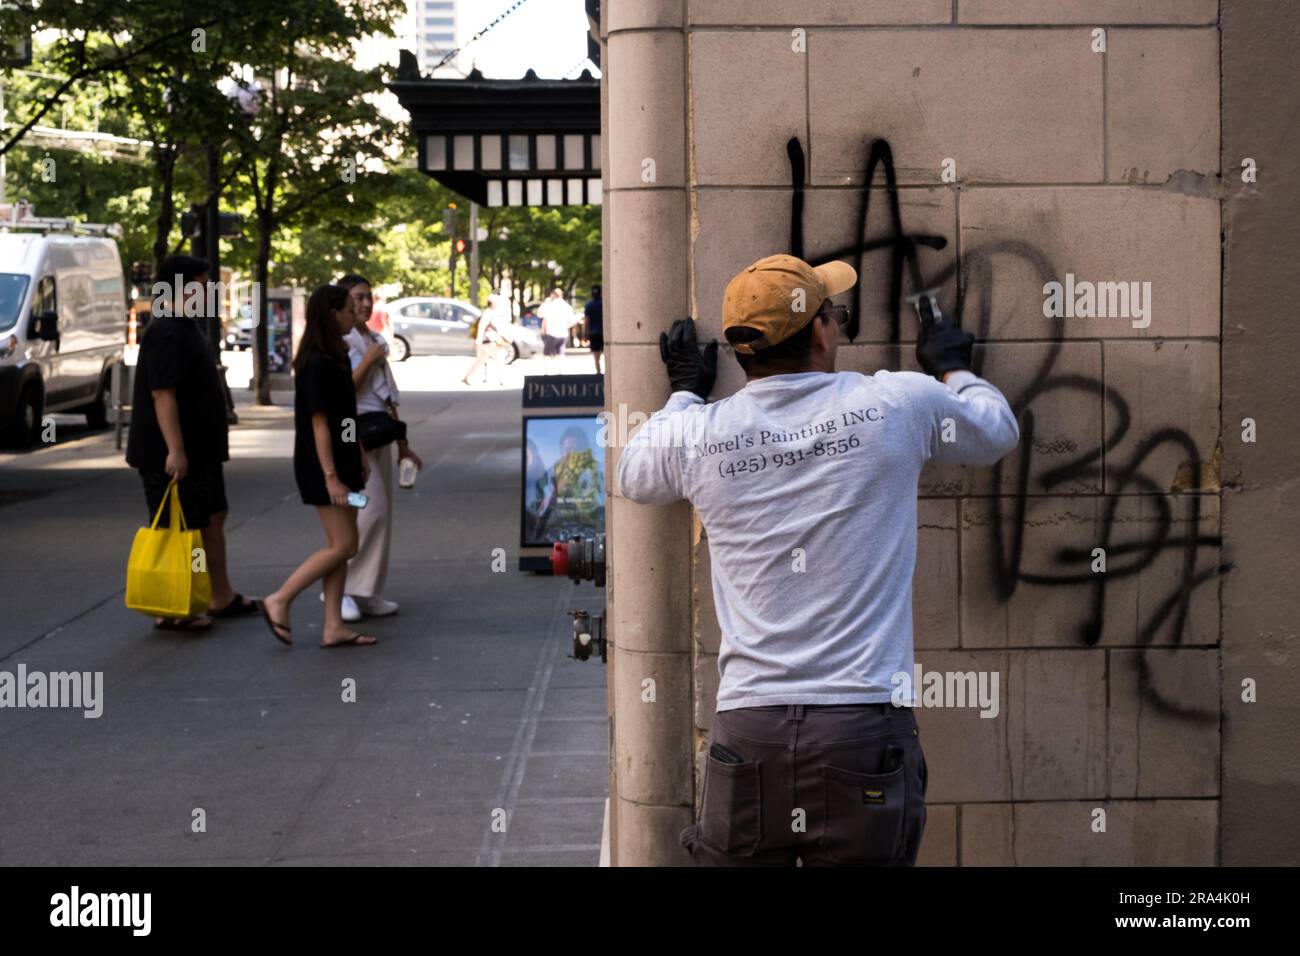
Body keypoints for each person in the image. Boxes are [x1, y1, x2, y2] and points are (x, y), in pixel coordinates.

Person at [615, 254, 1020, 866]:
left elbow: (634, 473)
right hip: (860, 730)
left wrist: (682, 394)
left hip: (749, 732)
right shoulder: (897, 405)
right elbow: (996, 432)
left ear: (742, 352)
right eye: (832, 314)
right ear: (821, 333)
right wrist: (954, 368)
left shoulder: (699, 435)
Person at [126, 253, 259, 631]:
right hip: (171, 452)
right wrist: (176, 450)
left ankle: (220, 595)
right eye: (203, 284)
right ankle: (174, 607)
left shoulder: (184, 325)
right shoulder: (167, 329)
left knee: (212, 516)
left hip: (199, 450)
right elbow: (162, 394)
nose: (210, 291)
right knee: (180, 528)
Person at [258, 284, 376, 648]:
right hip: (323, 465)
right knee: (345, 545)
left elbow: (345, 414)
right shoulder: (316, 363)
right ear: (332, 314)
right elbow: (319, 422)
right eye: (347, 309)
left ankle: (333, 626)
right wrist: (332, 478)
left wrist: (356, 453)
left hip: (342, 460)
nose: (354, 314)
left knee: (338, 544)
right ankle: (280, 599)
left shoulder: (336, 355)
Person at [331, 273, 421, 622]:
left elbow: (387, 396)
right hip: (354, 438)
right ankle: (341, 590)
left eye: (368, 296)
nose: (365, 303)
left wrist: (403, 444)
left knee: (380, 516)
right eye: (357, 297)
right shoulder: (342, 343)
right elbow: (340, 395)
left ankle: (366, 590)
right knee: (369, 511)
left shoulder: (374, 338)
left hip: (379, 434)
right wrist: (368, 361)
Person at [462, 292, 509, 387]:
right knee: (499, 358)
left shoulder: (490, 312)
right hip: (489, 341)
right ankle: (503, 380)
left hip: (487, 341)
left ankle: (467, 377)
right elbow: (482, 326)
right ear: (493, 303)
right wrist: (478, 338)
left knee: (480, 360)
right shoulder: (489, 312)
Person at [537, 287, 578, 373]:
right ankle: (560, 372)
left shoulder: (550, 305)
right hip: (563, 334)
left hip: (552, 333)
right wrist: (565, 326)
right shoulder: (567, 306)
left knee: (546, 354)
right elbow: (572, 321)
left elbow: (539, 314)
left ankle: (547, 372)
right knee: (561, 353)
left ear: (553, 295)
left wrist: (546, 302)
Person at [583, 284, 604, 374]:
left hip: (594, 332)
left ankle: (598, 372)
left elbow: (587, 320)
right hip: (605, 332)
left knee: (596, 356)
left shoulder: (589, 305)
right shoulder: (604, 304)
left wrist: (585, 334)